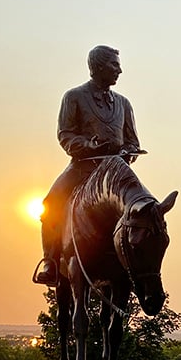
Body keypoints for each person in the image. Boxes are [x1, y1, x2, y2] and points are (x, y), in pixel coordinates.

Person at [33, 45, 143, 286]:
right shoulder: (74, 97)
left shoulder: (124, 104)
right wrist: (88, 145)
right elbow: (65, 134)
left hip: (115, 173)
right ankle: (50, 261)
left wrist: (128, 151)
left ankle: (140, 268)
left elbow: (133, 141)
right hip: (82, 167)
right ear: (98, 66)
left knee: (145, 208)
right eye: (115, 65)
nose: (120, 70)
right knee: (50, 204)